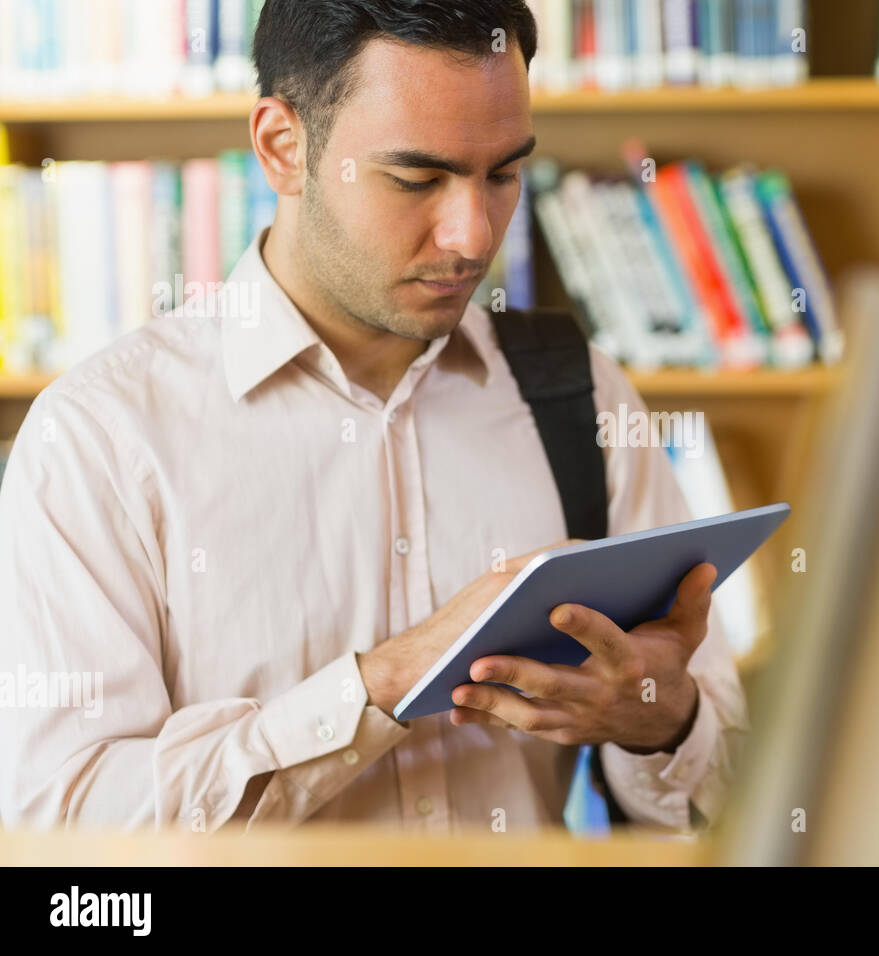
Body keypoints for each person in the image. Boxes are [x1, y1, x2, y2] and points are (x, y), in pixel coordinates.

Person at [0, 0, 747, 832]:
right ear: (284, 147)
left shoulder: (585, 399)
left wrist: (663, 722)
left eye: (502, 174)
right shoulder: (102, 439)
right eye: (417, 179)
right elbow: (62, 834)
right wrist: (384, 683)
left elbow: (739, 802)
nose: (471, 235)